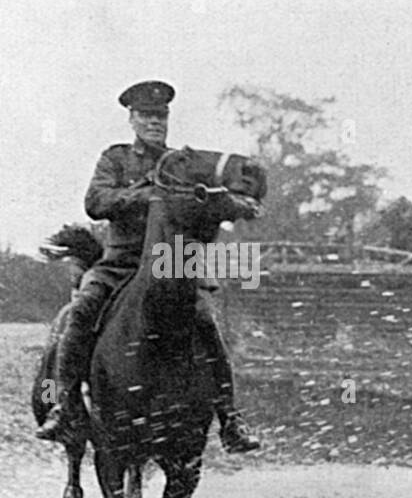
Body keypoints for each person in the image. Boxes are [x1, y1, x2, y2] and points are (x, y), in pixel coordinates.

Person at [36, 81, 260, 452]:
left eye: (161, 116)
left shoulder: (182, 164)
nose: (155, 122)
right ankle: (65, 406)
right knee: (79, 314)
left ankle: (230, 418)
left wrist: (235, 205)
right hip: (119, 263)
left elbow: (208, 207)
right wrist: (149, 195)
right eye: (147, 115)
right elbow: (96, 201)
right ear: (133, 119)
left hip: (171, 263)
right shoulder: (115, 158)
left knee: (206, 322)